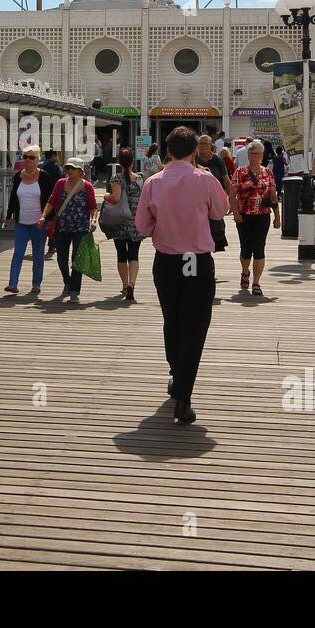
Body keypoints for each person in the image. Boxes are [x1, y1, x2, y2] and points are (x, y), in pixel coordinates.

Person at [135, 126, 228, 424]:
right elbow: (220, 210)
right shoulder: (204, 178)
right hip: (196, 261)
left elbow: (142, 227)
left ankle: (176, 371)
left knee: (172, 319)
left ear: (168, 150)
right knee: (195, 326)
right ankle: (183, 397)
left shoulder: (152, 182)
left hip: (167, 261)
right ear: (193, 151)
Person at [38, 157, 97, 304]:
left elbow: (93, 207)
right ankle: (67, 281)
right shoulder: (60, 183)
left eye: (72, 169)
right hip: (62, 227)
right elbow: (51, 201)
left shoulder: (87, 187)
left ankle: (74, 291)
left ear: (80, 172)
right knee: (61, 259)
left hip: (80, 228)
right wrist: (43, 216)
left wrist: (93, 220)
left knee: (77, 259)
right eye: (67, 168)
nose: (69, 171)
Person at [231, 140, 282, 296]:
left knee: (259, 248)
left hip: (262, 215)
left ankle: (256, 283)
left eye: (255, 153)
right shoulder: (240, 172)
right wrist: (235, 213)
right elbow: (232, 195)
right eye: (250, 153)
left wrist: (277, 216)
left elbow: (273, 195)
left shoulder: (267, 172)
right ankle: (245, 271)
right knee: (246, 249)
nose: (252, 156)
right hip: (244, 215)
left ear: (261, 155)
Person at [4, 146, 55, 295]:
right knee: (18, 252)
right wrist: (8, 216)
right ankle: (12, 284)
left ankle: (36, 284)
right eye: (25, 156)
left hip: (39, 223)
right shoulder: (17, 176)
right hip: (21, 222)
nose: (27, 160)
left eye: (31, 157)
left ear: (38, 159)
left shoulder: (44, 176)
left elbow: (50, 200)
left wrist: (47, 218)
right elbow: (13, 197)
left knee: (38, 254)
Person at [104, 147, 144, 302]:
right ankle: (132, 284)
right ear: (133, 161)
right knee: (134, 255)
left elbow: (115, 198)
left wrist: (106, 196)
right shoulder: (140, 178)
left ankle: (125, 284)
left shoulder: (117, 178)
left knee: (121, 255)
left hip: (119, 222)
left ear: (120, 163)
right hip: (135, 223)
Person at [196, 134, 231, 255]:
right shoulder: (193, 160)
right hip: (198, 203)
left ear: (211, 146)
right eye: (199, 144)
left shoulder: (217, 160)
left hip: (214, 202)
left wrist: (231, 199)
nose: (201, 146)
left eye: (204, 143)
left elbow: (226, 180)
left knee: (215, 230)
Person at [39, 149, 63, 259]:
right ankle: (52, 246)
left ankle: (41, 246)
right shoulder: (56, 167)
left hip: (42, 198)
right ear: (53, 155)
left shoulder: (41, 167)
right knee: (52, 223)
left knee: (45, 222)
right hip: (54, 198)